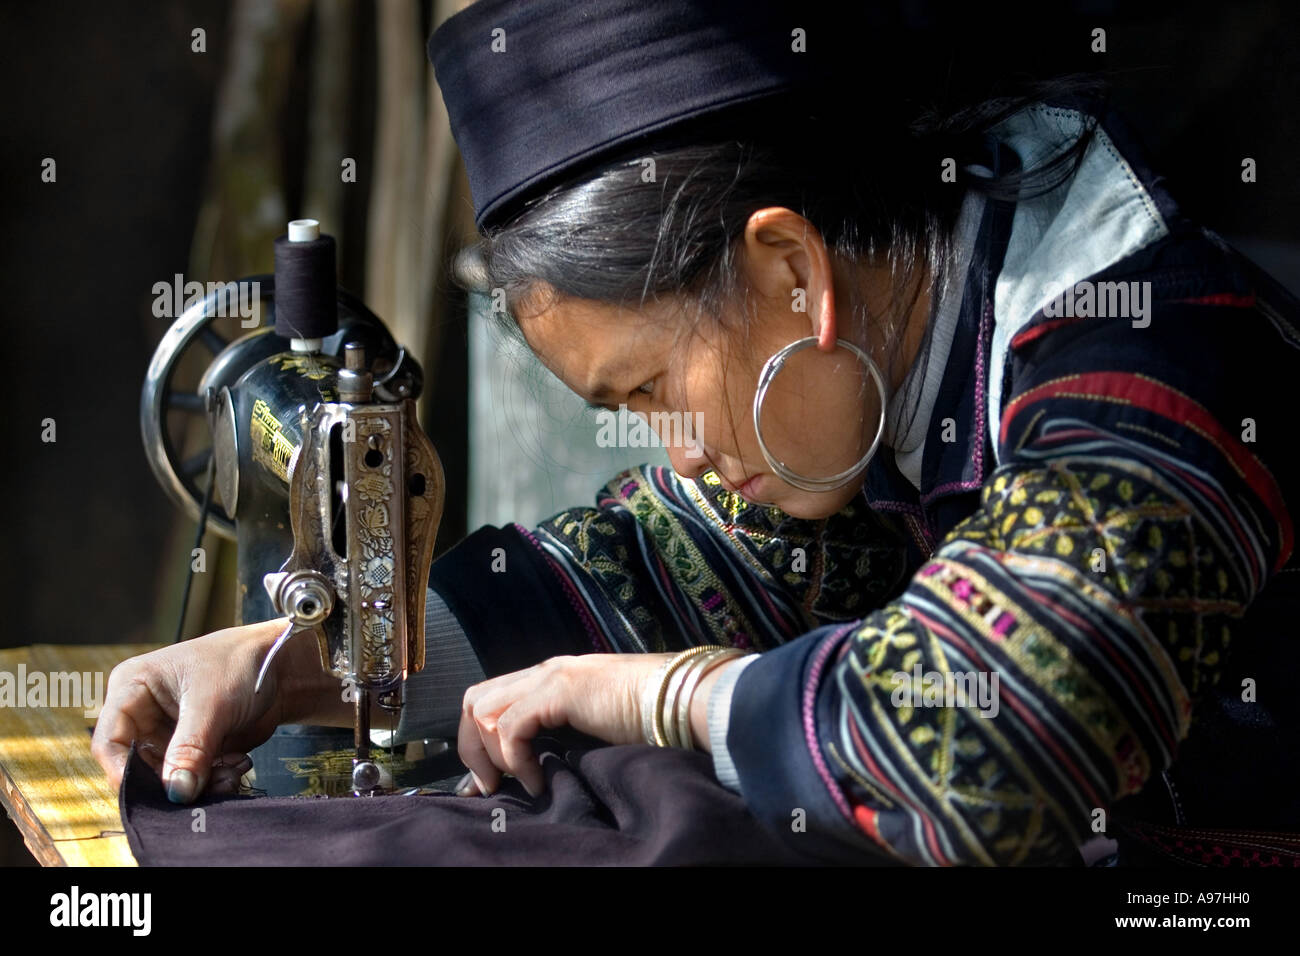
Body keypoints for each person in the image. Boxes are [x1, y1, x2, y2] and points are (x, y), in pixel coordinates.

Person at [94, 1, 1300, 866]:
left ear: (787, 265)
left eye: (649, 386)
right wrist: (283, 666)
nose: (670, 450)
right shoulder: (896, 346)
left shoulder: (1140, 349)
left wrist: (661, 697)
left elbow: (996, 727)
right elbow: (657, 562)